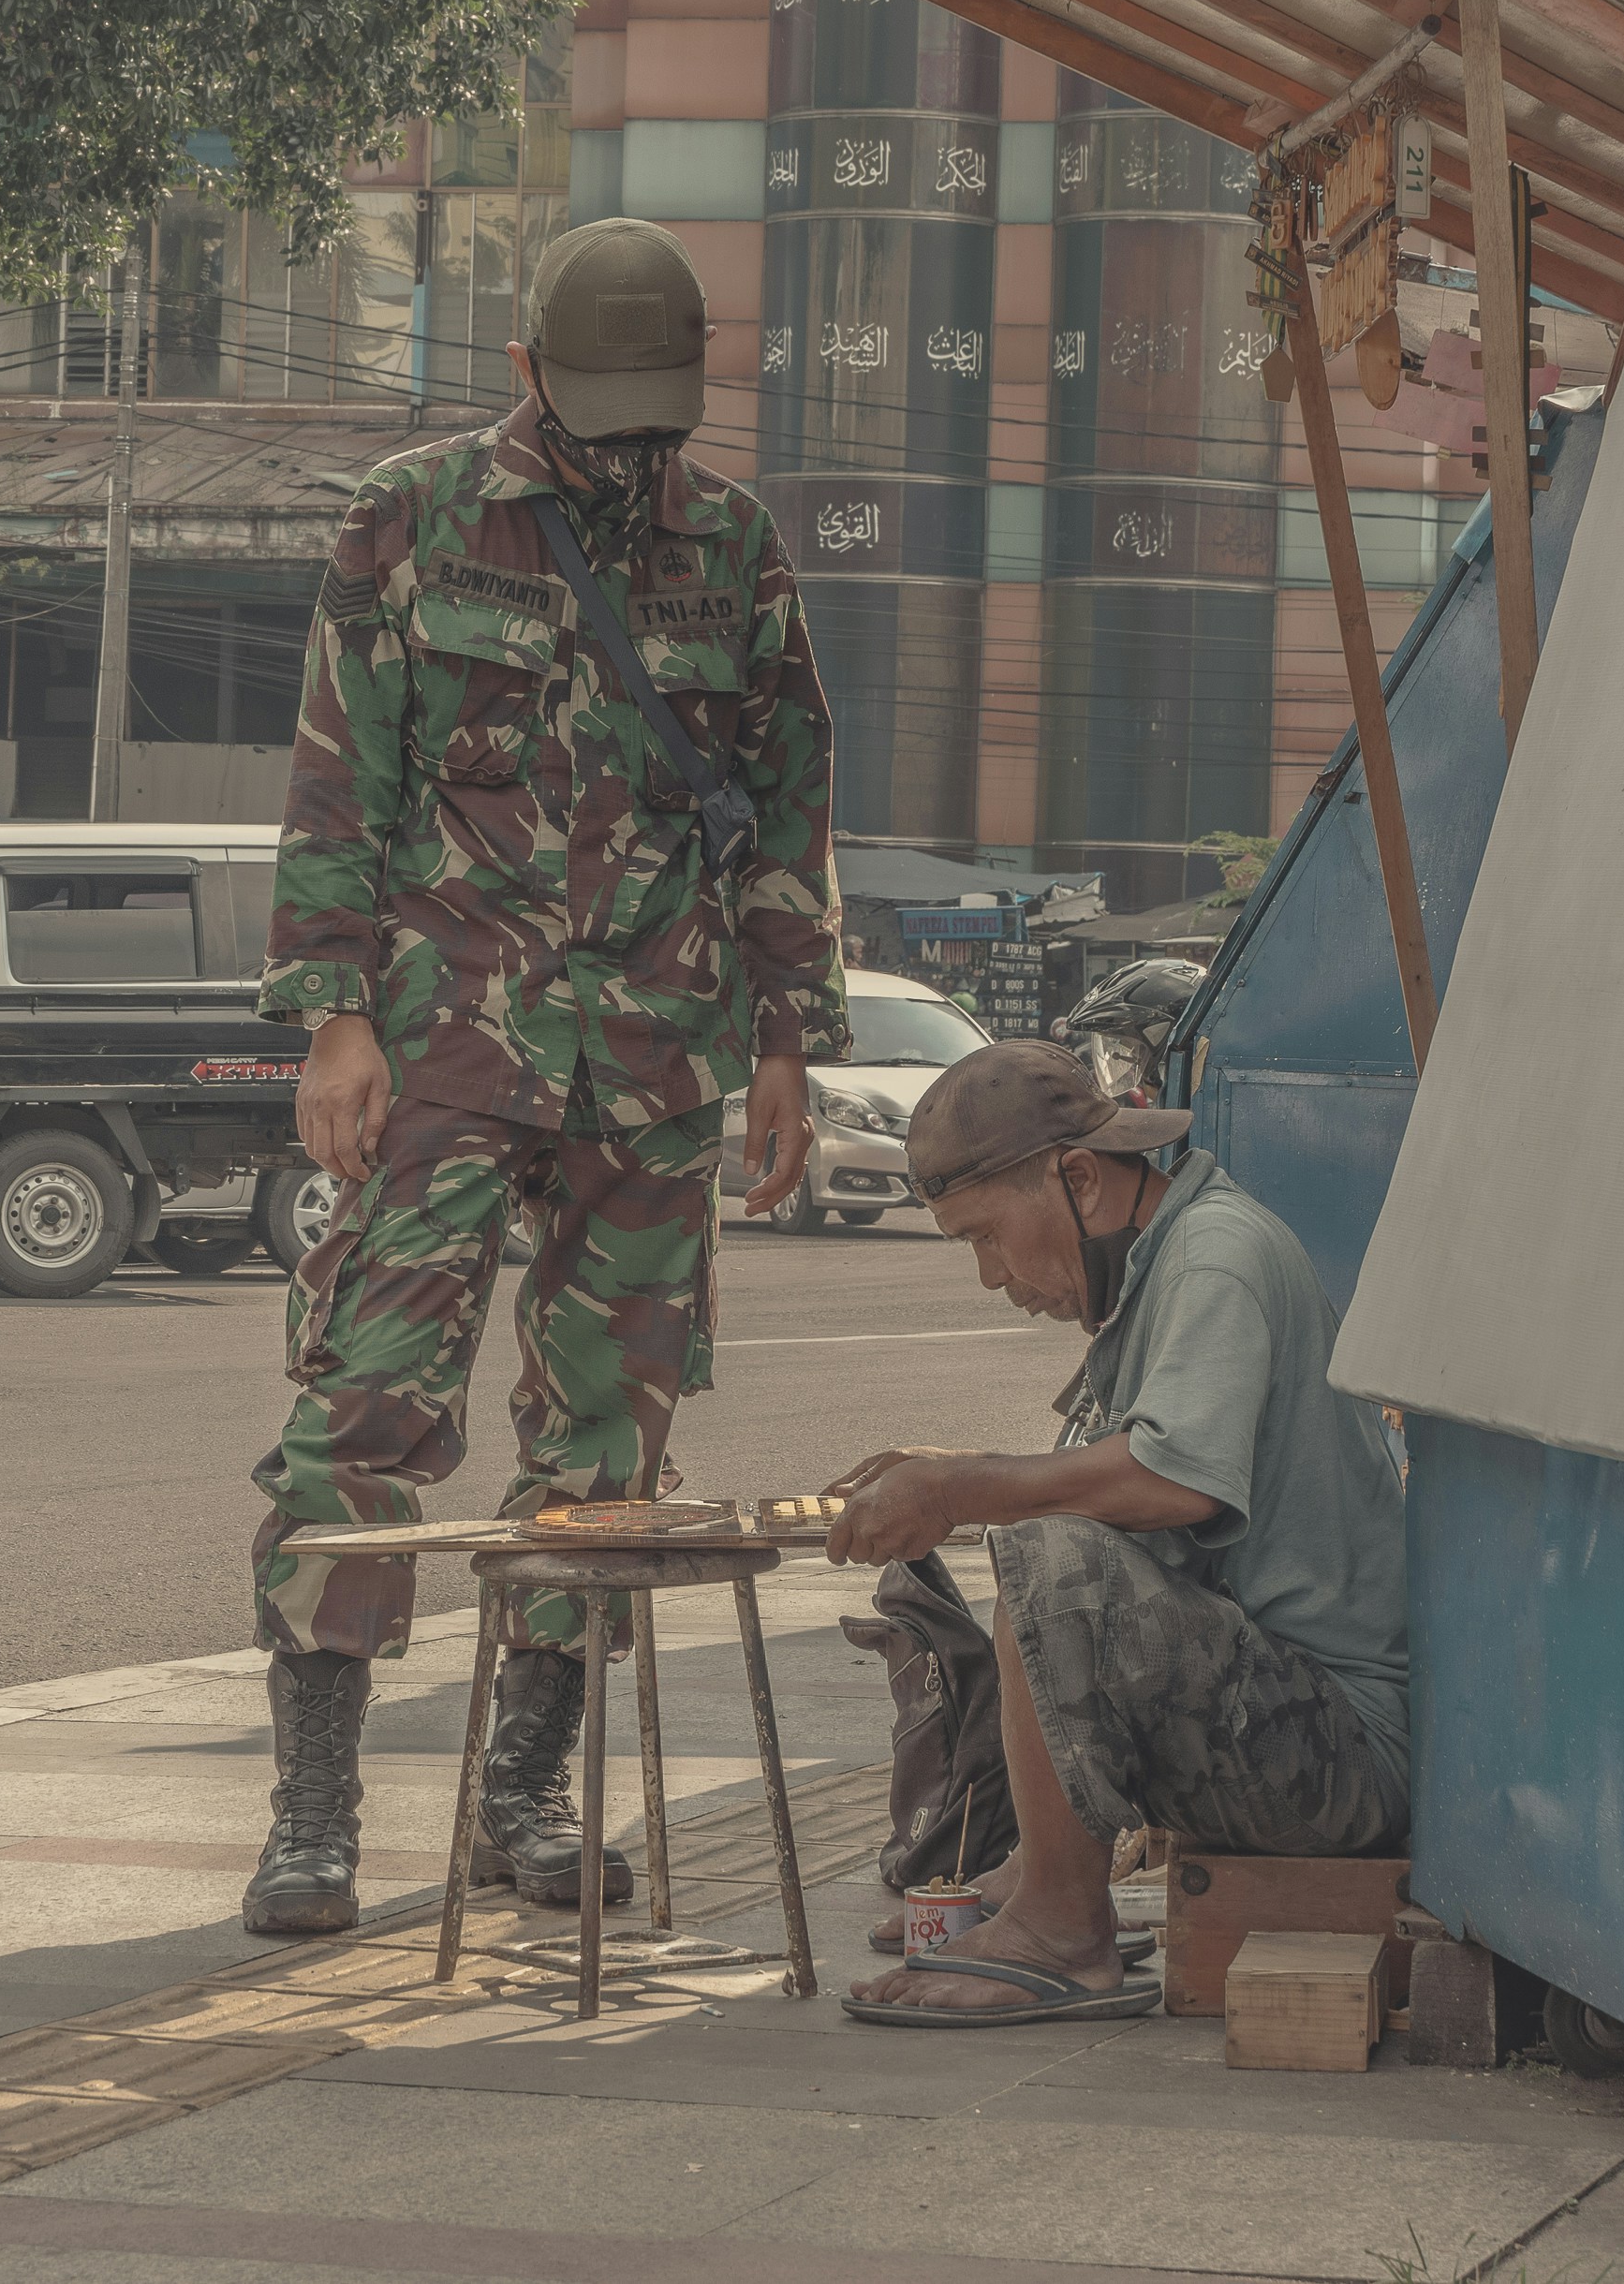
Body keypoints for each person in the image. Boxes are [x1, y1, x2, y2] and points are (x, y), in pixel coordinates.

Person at [242, 216, 849, 1938]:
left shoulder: (732, 548)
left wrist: (793, 1035)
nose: (624, 446)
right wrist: (335, 1014)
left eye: (652, 415)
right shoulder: (413, 518)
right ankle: (313, 1812)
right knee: (361, 1411)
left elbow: (788, 800)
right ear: (526, 375)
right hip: (446, 1035)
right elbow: (337, 776)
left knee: (603, 1454)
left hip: (655, 1056)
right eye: (596, 410)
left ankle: (521, 1792)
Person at [822, 1041, 1410, 2027]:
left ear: (1079, 1177)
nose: (989, 1276)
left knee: (1055, 1560)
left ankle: (1062, 1929)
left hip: (1345, 1760)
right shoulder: (1165, 1263)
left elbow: (1167, 1480)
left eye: (985, 1236)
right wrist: (947, 1471)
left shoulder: (1214, 1254)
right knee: (1056, 1543)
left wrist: (962, 1486)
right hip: (1290, 1731)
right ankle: (1038, 1874)